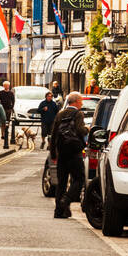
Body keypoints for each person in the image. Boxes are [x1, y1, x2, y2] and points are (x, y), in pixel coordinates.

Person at [49, 90, 88, 218]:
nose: (81, 103)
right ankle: (66, 199)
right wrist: (87, 129)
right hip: (74, 151)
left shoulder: (60, 114)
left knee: (62, 181)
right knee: (79, 178)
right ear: (76, 102)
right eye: (81, 101)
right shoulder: (78, 114)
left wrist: (53, 153)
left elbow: (54, 133)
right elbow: (79, 130)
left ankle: (59, 211)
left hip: (62, 152)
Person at [0, 79, 15, 149]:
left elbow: (13, 101)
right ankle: (3, 134)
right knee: (2, 121)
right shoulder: (0, 92)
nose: (6, 86)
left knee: (7, 121)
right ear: (3, 86)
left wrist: (11, 107)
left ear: (9, 86)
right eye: (5, 85)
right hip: (2, 108)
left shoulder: (11, 93)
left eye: (7, 85)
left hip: (8, 109)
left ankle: (6, 131)